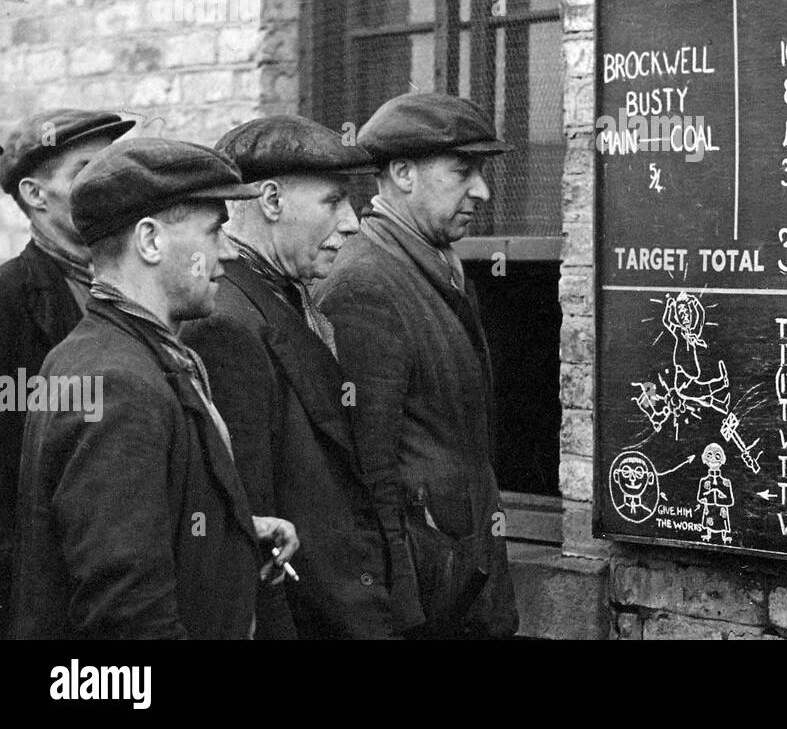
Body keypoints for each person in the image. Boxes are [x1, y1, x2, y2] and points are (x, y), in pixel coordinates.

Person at [9, 138, 299, 639]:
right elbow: (127, 614)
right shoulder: (118, 382)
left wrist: (230, 531)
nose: (227, 252)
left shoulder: (112, 351)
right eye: (213, 231)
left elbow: (123, 528)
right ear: (150, 241)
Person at [182, 115, 418, 639]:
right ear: (270, 200)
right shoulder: (226, 325)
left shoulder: (282, 298)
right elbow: (251, 529)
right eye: (333, 202)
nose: (353, 222)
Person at [316, 92, 518, 638]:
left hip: (464, 583)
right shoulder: (365, 285)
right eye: (462, 172)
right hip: (428, 606)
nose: (481, 191)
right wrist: (400, 616)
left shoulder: (434, 263)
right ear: (402, 174)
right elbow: (368, 477)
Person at [0, 108, 135, 633]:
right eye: (85, 171)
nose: (109, 183)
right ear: (35, 195)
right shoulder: (9, 303)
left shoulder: (142, 285)